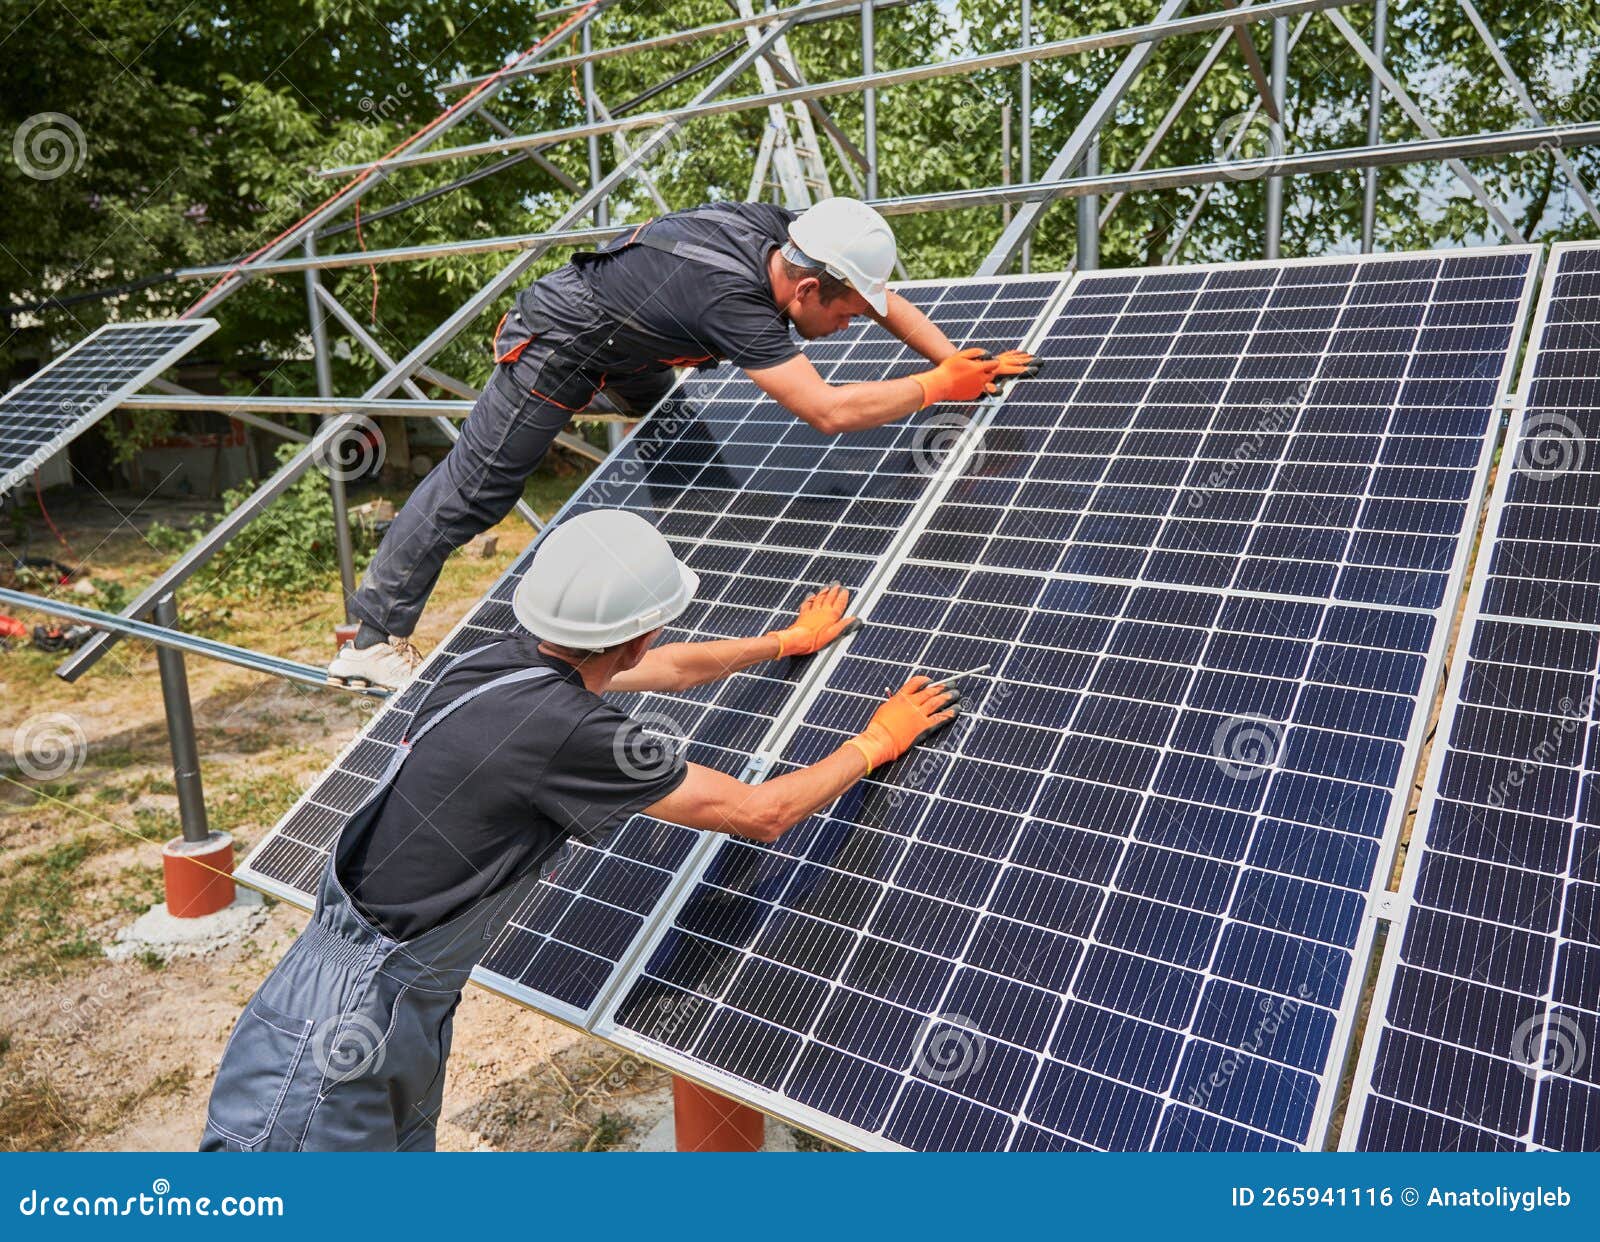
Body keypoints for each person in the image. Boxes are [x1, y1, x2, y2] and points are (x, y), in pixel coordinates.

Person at [203, 509, 959, 1151]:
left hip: (376, 1004)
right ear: (633, 635)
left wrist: (781, 643)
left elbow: (666, 669)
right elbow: (760, 813)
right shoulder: (566, 732)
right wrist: (876, 741)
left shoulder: (496, 664)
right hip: (340, 1035)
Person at [328, 196, 1036, 690]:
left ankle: (695, 539)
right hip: (565, 341)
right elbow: (827, 411)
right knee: (478, 488)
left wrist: (958, 361)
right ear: (809, 287)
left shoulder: (788, 233)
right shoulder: (731, 300)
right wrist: (937, 387)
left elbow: (886, 301)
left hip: (633, 338)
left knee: (679, 444)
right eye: (846, 313)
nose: (853, 324)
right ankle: (369, 641)